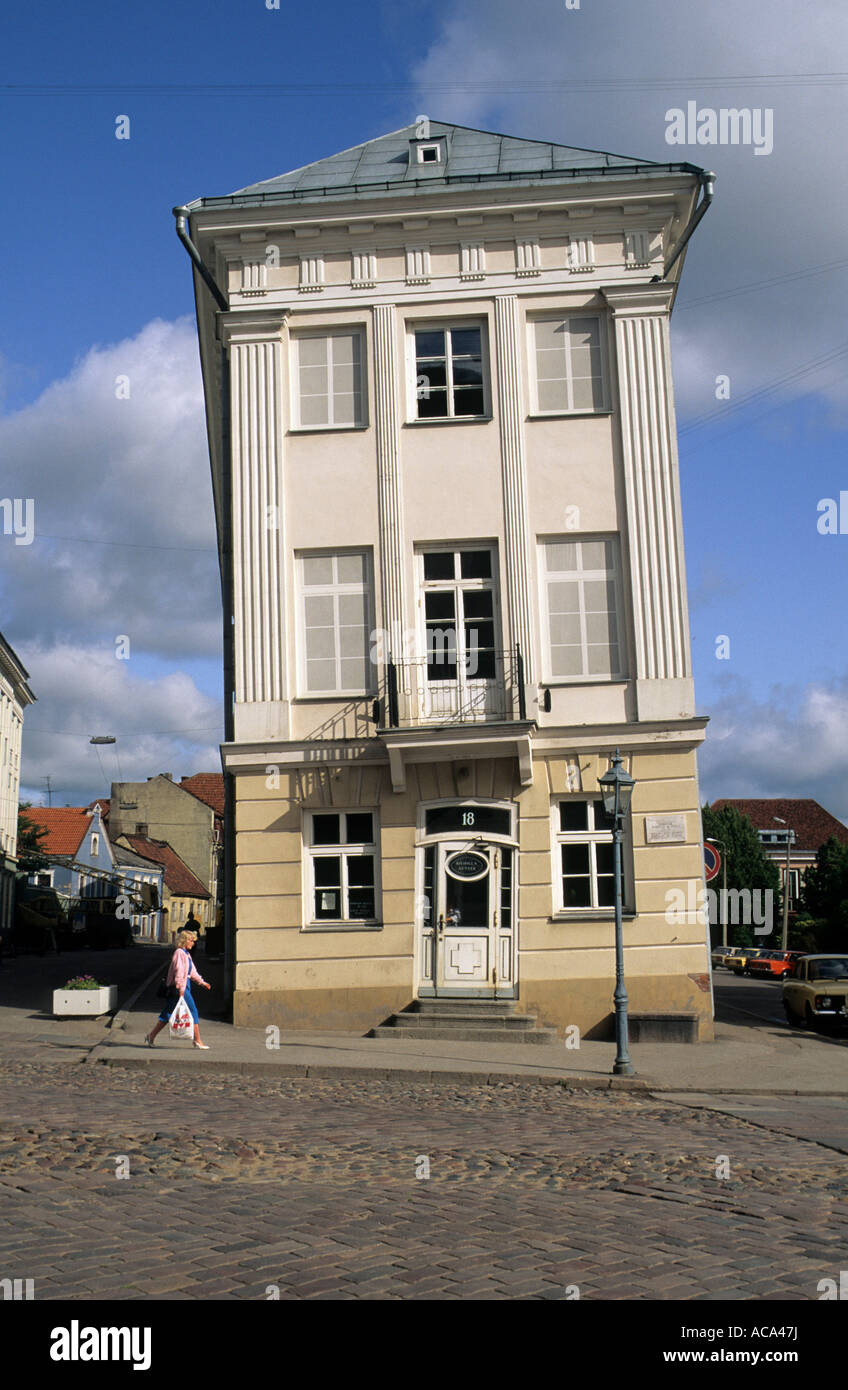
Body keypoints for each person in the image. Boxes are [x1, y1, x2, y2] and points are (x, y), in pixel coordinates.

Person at [144, 928, 211, 1050]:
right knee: (193, 1011)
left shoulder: (186, 954)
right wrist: (181, 988)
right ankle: (197, 1040)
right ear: (185, 941)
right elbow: (179, 972)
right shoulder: (180, 953)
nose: (193, 943)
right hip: (180, 986)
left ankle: (151, 1036)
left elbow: (192, 971)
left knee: (168, 1012)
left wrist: (202, 982)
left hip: (183, 985)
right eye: (191, 940)